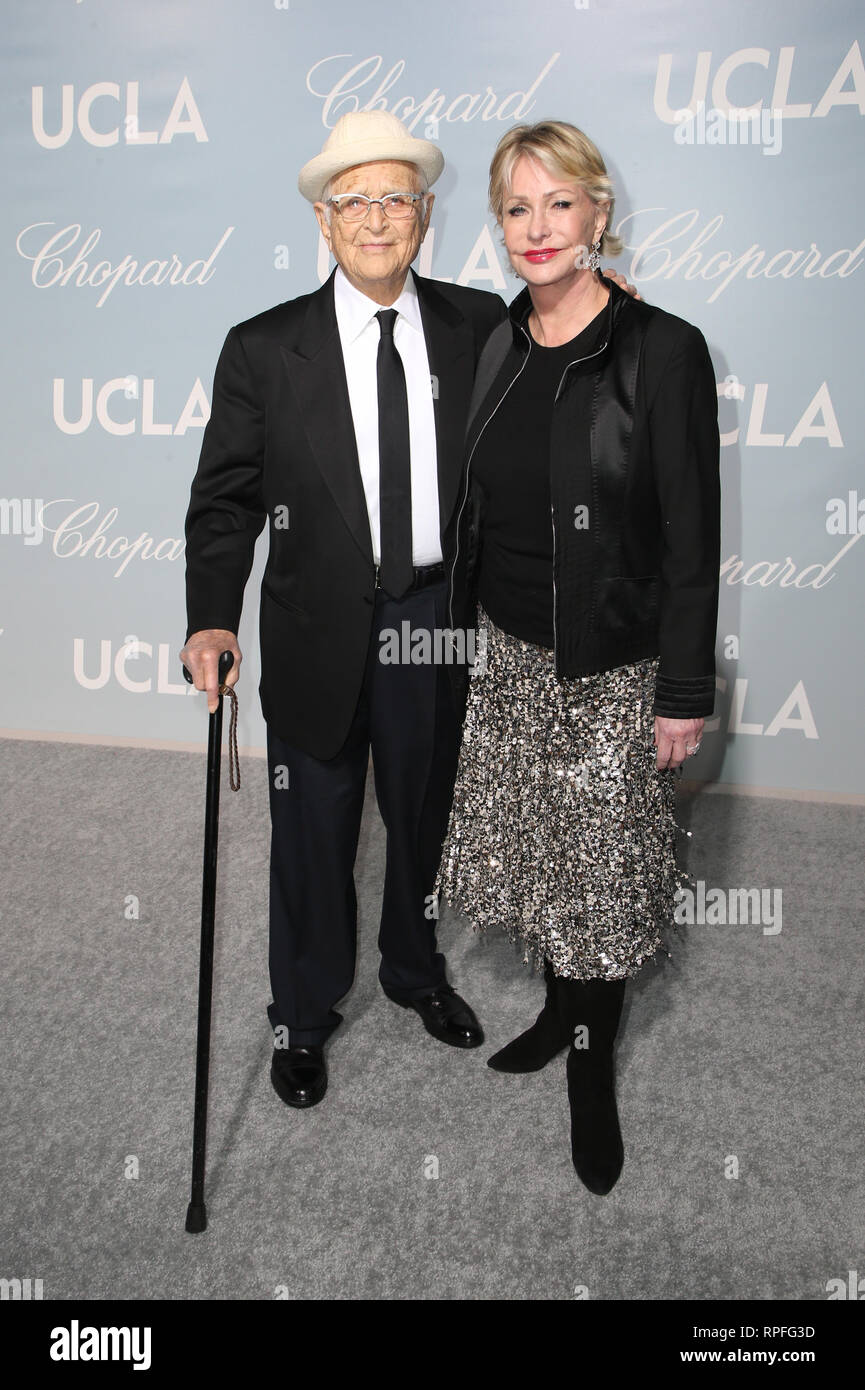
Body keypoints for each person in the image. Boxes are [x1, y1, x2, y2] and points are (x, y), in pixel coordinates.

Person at [436, 120, 720, 1195]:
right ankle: (559, 1008)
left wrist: (680, 690)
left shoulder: (664, 350)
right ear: (500, 228)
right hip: (509, 656)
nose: (539, 227)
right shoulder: (498, 343)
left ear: (599, 213)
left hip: (614, 668)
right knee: (546, 859)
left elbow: (694, 535)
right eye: (516, 208)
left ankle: (591, 1072)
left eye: (560, 203)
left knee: (601, 883)